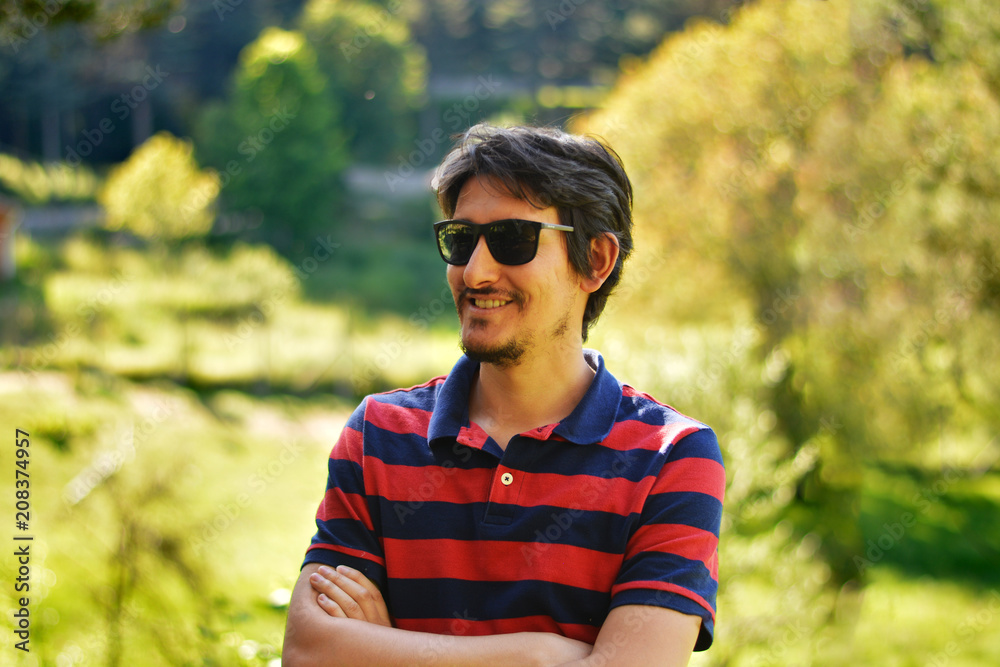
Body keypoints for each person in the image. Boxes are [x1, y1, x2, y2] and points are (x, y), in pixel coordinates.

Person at [282, 124, 724, 666]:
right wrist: (538, 656)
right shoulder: (377, 434)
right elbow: (308, 652)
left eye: (514, 239)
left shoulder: (673, 458)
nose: (475, 270)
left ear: (597, 261)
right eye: (460, 240)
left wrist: (381, 652)